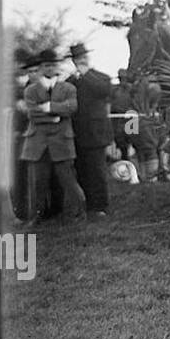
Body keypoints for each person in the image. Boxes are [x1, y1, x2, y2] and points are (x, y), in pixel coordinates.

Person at [19, 50, 86, 223]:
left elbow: (72, 107)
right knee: (37, 183)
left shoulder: (69, 88)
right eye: (46, 65)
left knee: (69, 181)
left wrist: (48, 107)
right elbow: (32, 114)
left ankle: (78, 214)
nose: (50, 68)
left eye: (53, 64)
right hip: (37, 143)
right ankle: (36, 216)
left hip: (62, 141)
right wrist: (57, 114)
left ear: (58, 66)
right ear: (40, 68)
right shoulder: (31, 90)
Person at [65, 43, 112, 218]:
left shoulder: (101, 77)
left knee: (97, 171)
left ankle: (100, 206)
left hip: (96, 133)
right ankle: (87, 205)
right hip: (77, 133)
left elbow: (104, 92)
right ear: (73, 61)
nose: (81, 61)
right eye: (77, 59)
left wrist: (85, 75)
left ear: (88, 58)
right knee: (82, 170)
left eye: (83, 57)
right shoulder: (70, 81)